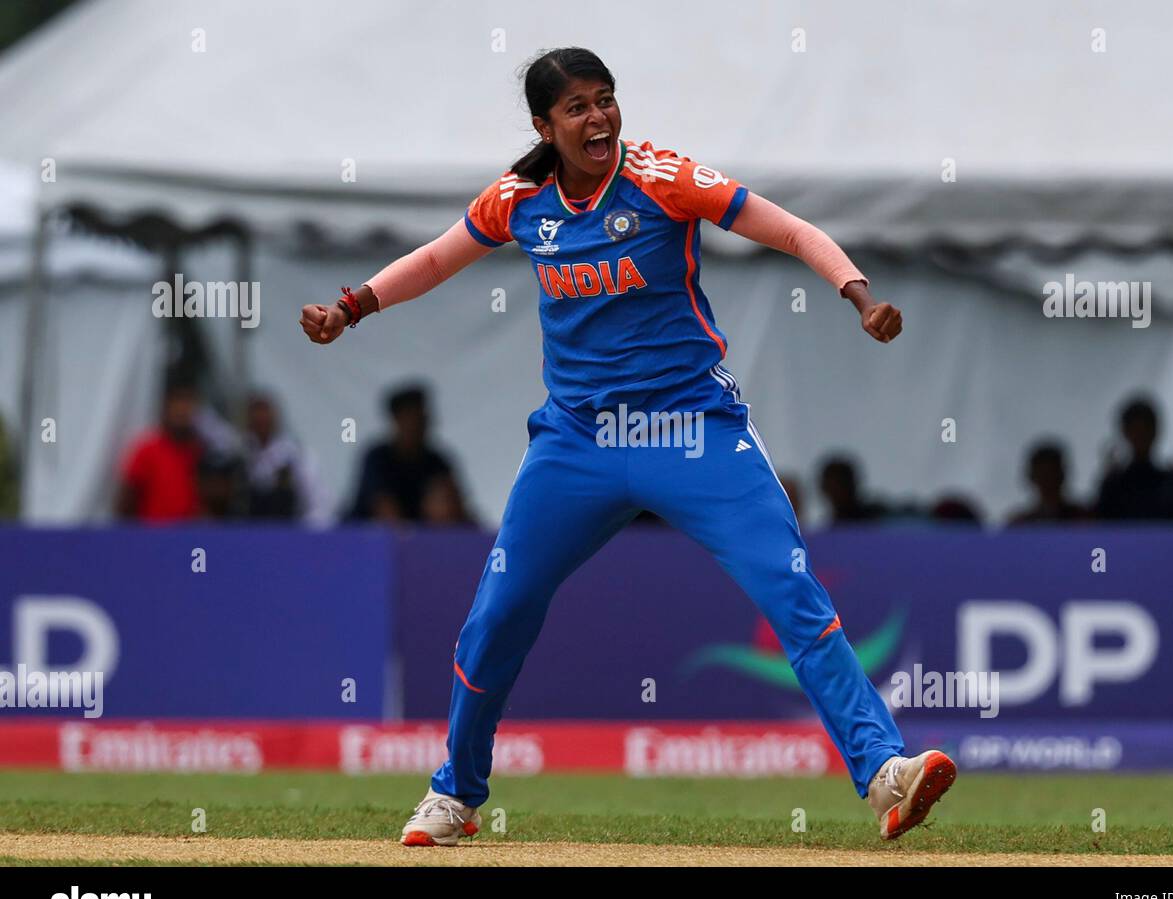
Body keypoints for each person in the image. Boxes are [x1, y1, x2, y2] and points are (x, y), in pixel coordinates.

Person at [300, 48, 955, 844]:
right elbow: (438, 259)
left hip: (692, 430)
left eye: (605, 101)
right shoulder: (520, 200)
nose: (599, 118)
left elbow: (787, 229)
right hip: (579, 442)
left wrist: (858, 294)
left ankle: (887, 772)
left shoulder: (661, 178)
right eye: (576, 108)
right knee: (498, 612)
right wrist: (351, 307)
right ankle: (454, 793)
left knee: (790, 592)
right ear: (546, 126)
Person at [346, 384, 459, 523]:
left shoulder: (436, 462)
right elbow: (386, 512)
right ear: (397, 419)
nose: (420, 425)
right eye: (413, 418)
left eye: (423, 419)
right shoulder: (378, 459)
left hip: (421, 538)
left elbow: (455, 509)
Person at [116, 373, 204, 522]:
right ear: (165, 407)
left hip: (190, 539)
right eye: (177, 403)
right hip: (154, 537)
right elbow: (127, 500)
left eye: (188, 403)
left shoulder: (200, 451)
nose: (182, 410)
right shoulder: (147, 450)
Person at [1095, 397, 1173, 522]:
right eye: (1136, 430)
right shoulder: (1114, 483)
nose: (1141, 436)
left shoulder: (1172, 483)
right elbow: (1101, 524)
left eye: (1146, 429)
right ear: (1125, 432)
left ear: (1155, 431)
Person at [243, 393, 328, 523]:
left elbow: (317, 500)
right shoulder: (243, 452)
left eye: (265, 417)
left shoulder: (294, 454)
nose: (260, 421)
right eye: (256, 419)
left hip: (289, 528)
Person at [1008, 441, 1090, 525]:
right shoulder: (1020, 524)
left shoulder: (1084, 520)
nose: (1048, 481)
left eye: (1052, 474)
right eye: (1043, 475)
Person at [818, 455, 889, 524]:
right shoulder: (829, 528)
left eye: (838, 485)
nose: (835, 493)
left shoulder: (877, 517)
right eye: (831, 487)